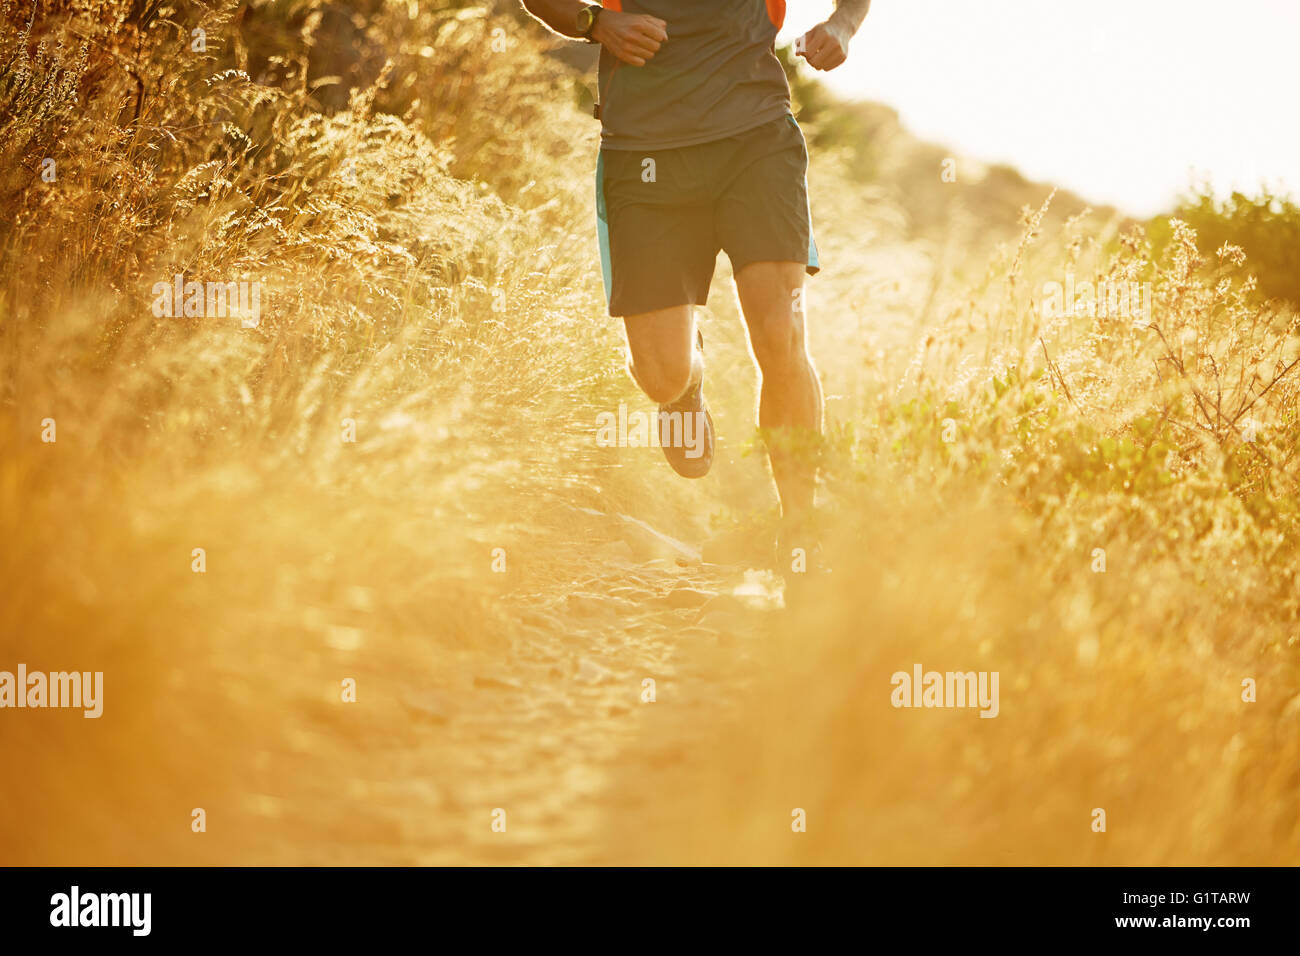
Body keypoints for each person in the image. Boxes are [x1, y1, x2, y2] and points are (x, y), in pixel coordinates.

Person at [522, 0, 869, 562]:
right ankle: (685, 383)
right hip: (643, 154)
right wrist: (595, 23)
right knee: (661, 375)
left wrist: (842, 26)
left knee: (780, 331)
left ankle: (802, 532)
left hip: (755, 138)